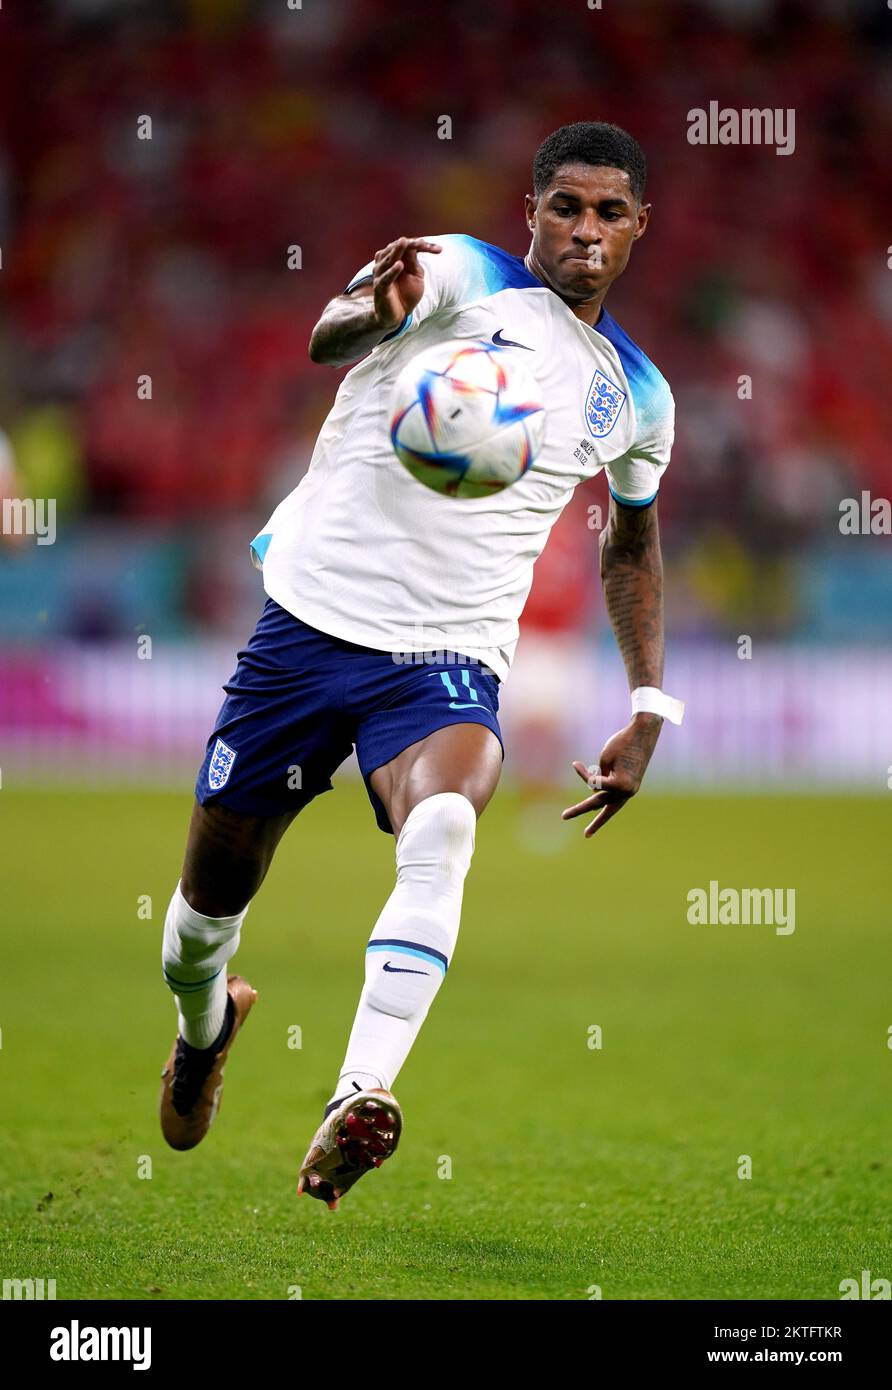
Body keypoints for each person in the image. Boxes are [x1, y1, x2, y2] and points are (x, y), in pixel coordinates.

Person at [158, 121, 682, 1210]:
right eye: (564, 207)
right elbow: (329, 335)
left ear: (639, 226)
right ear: (529, 212)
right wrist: (367, 311)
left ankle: (360, 1092)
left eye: (608, 212)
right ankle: (204, 1029)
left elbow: (630, 542)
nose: (584, 230)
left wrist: (645, 701)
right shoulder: (448, 268)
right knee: (206, 912)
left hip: (445, 658)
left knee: (446, 822)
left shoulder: (635, 394)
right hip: (308, 628)